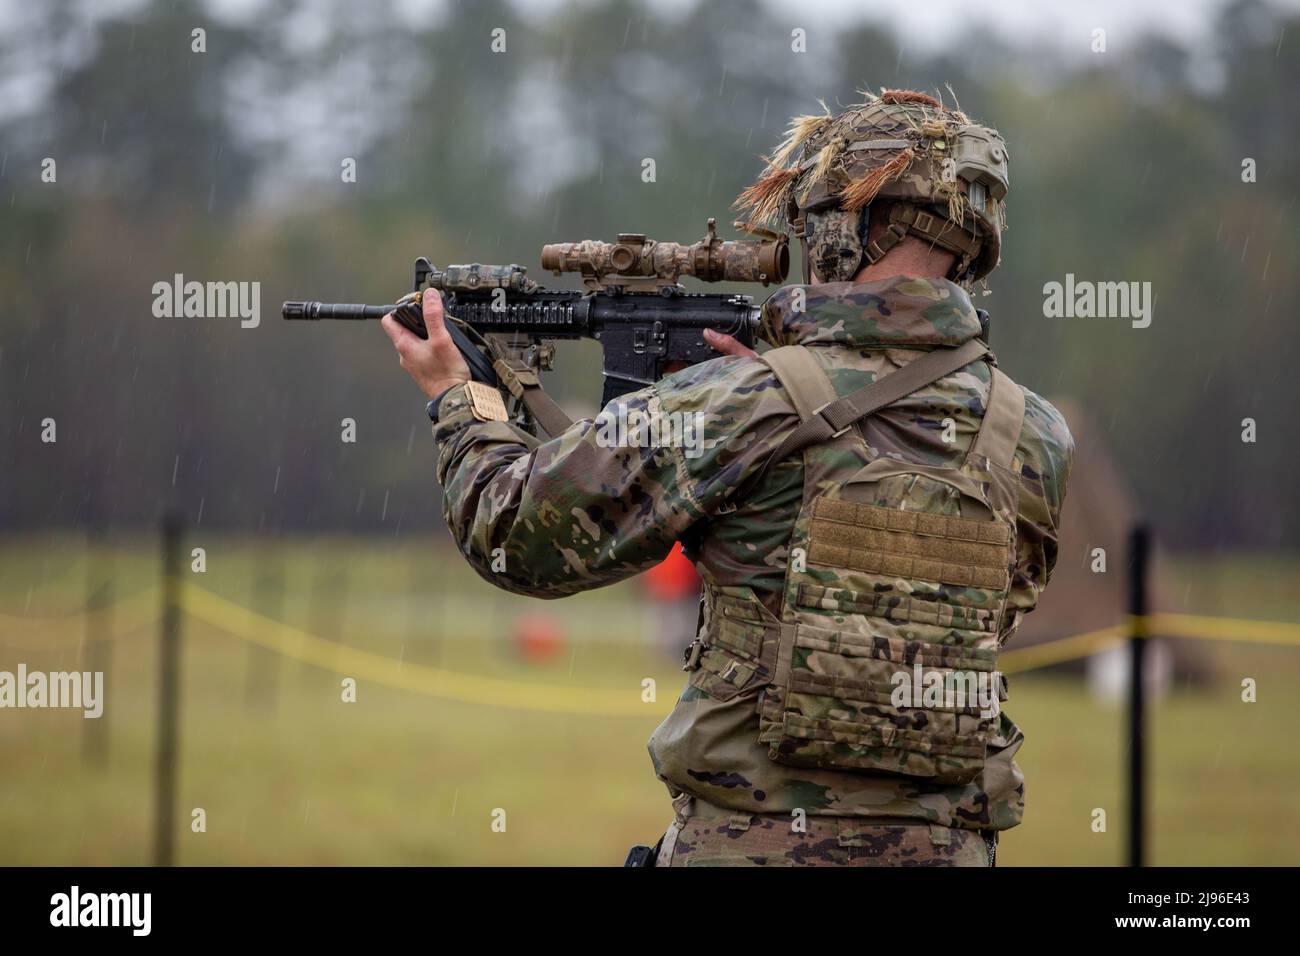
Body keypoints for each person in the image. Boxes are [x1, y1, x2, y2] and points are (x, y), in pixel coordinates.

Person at [381, 89, 1074, 866]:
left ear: (842, 232)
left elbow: (510, 532)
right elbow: (959, 613)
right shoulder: (1034, 432)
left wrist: (459, 394)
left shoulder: (746, 403)